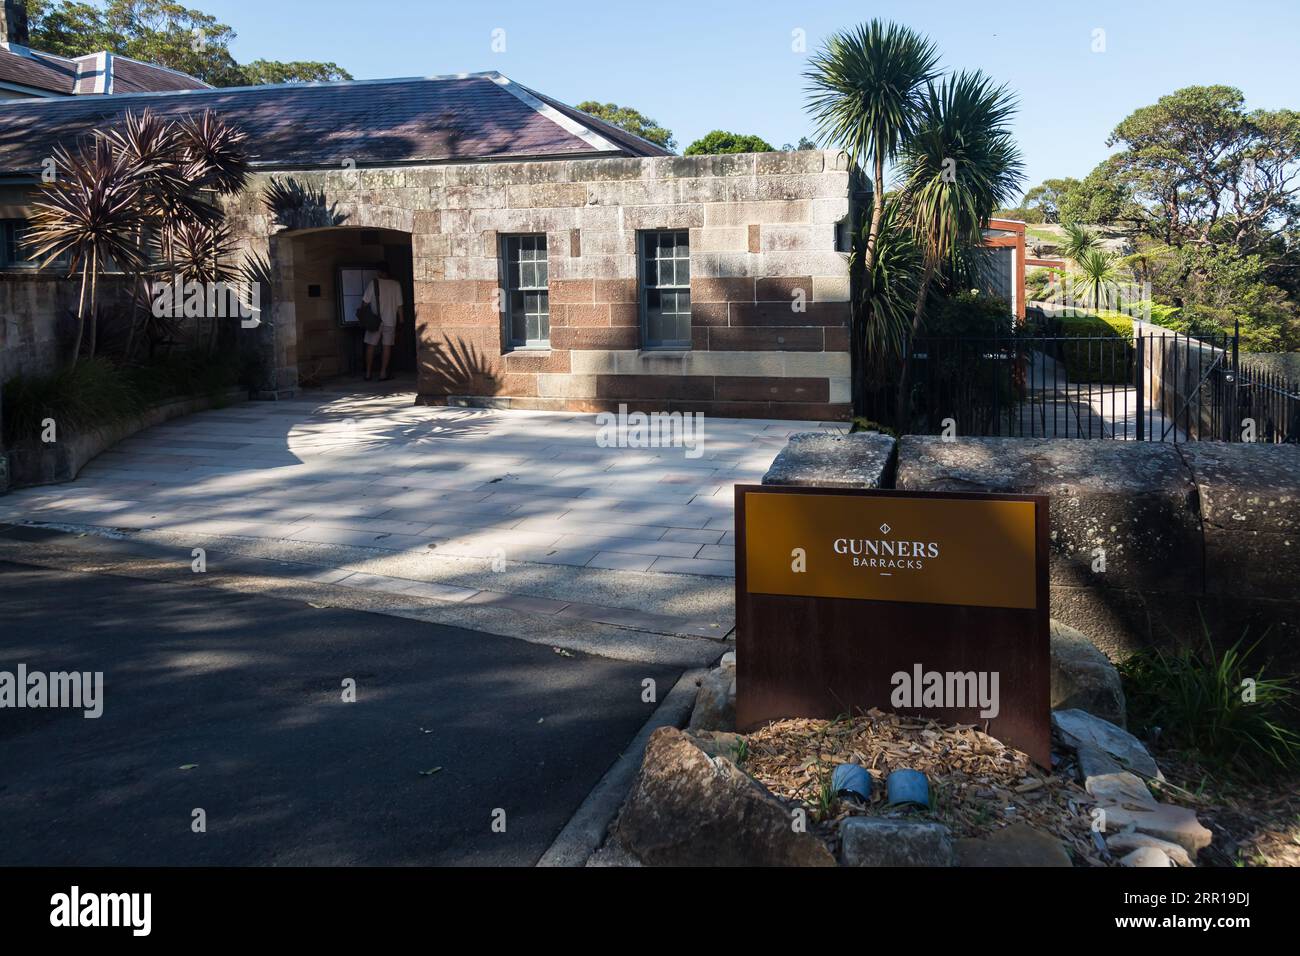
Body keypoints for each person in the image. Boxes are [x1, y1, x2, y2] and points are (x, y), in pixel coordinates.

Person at [362, 268, 404, 381]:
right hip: (390, 320)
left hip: (375, 321)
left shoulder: (373, 283)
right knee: (387, 347)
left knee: (370, 346)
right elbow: (400, 305)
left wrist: (363, 316)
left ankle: (368, 373)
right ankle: (383, 373)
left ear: (380, 272)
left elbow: (365, 302)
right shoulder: (396, 285)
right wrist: (401, 320)